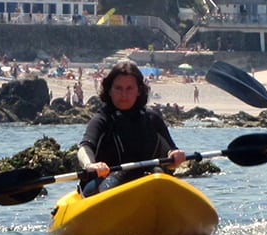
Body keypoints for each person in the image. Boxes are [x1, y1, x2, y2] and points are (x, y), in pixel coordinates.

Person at [76, 62, 187, 197]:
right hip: (105, 181)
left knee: (158, 172)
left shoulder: (152, 118)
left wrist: (176, 156)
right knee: (116, 179)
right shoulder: (102, 119)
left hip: (148, 177)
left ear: (139, 90)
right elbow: (85, 147)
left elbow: (171, 154)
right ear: (109, 90)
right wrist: (90, 165)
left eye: (129, 88)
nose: (124, 95)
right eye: (118, 88)